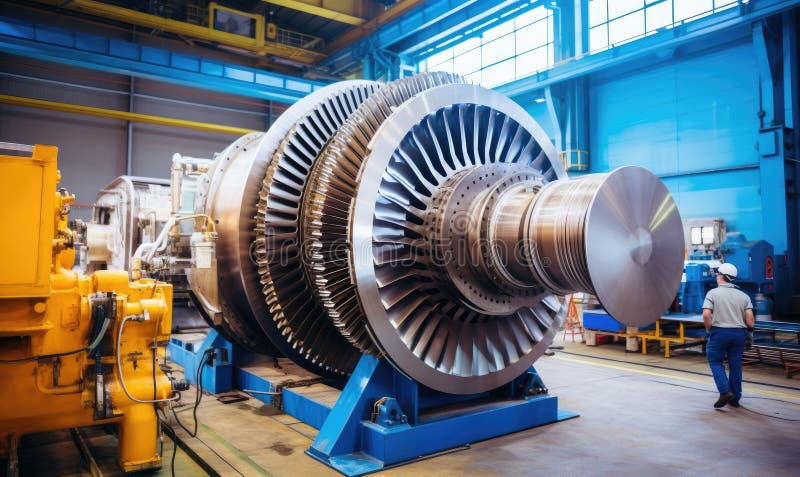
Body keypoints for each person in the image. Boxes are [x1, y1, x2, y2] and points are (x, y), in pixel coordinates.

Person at [702, 262, 755, 409]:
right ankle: (735, 398)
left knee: (715, 361)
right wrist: (749, 334)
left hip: (719, 332)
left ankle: (725, 392)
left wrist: (709, 329)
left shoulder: (712, 294)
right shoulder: (744, 296)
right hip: (739, 334)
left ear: (721, 277)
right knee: (735, 365)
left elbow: (706, 314)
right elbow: (750, 321)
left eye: (718, 274)